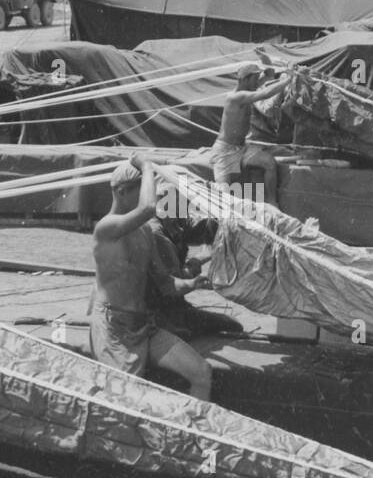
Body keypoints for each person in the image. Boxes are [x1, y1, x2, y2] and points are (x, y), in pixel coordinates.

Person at [91, 157, 212, 400]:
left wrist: (191, 284)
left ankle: (193, 436)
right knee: (124, 399)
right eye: (147, 189)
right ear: (122, 192)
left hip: (144, 326)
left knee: (202, 373)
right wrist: (147, 166)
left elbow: (167, 284)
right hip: (114, 328)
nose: (154, 197)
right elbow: (148, 208)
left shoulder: (146, 231)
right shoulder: (106, 227)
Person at [208, 60, 291, 206]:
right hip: (225, 152)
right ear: (245, 80)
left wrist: (267, 67)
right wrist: (289, 79)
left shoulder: (247, 89)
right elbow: (265, 93)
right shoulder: (235, 97)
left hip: (243, 148)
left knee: (269, 163)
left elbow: (266, 79)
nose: (257, 82)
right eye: (255, 78)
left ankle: (271, 203)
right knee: (224, 201)